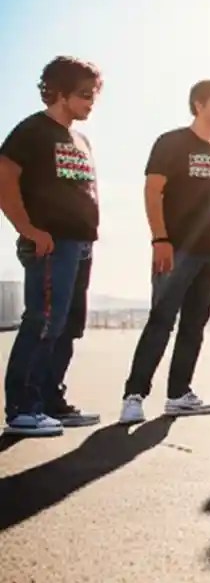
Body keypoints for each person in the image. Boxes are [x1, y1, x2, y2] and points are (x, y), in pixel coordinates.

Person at [120, 79, 210, 424]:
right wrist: (160, 239)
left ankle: (179, 394)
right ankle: (134, 396)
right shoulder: (171, 143)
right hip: (175, 248)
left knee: (194, 325)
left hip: (209, 252)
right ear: (199, 105)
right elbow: (153, 190)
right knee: (161, 321)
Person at [0, 56, 104, 436]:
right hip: (50, 244)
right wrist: (28, 229)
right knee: (43, 321)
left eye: (93, 95)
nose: (91, 102)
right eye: (84, 94)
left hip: (81, 244)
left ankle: (50, 401)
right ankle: (22, 409)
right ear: (59, 92)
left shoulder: (80, 139)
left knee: (68, 326)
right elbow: (4, 177)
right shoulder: (32, 131)